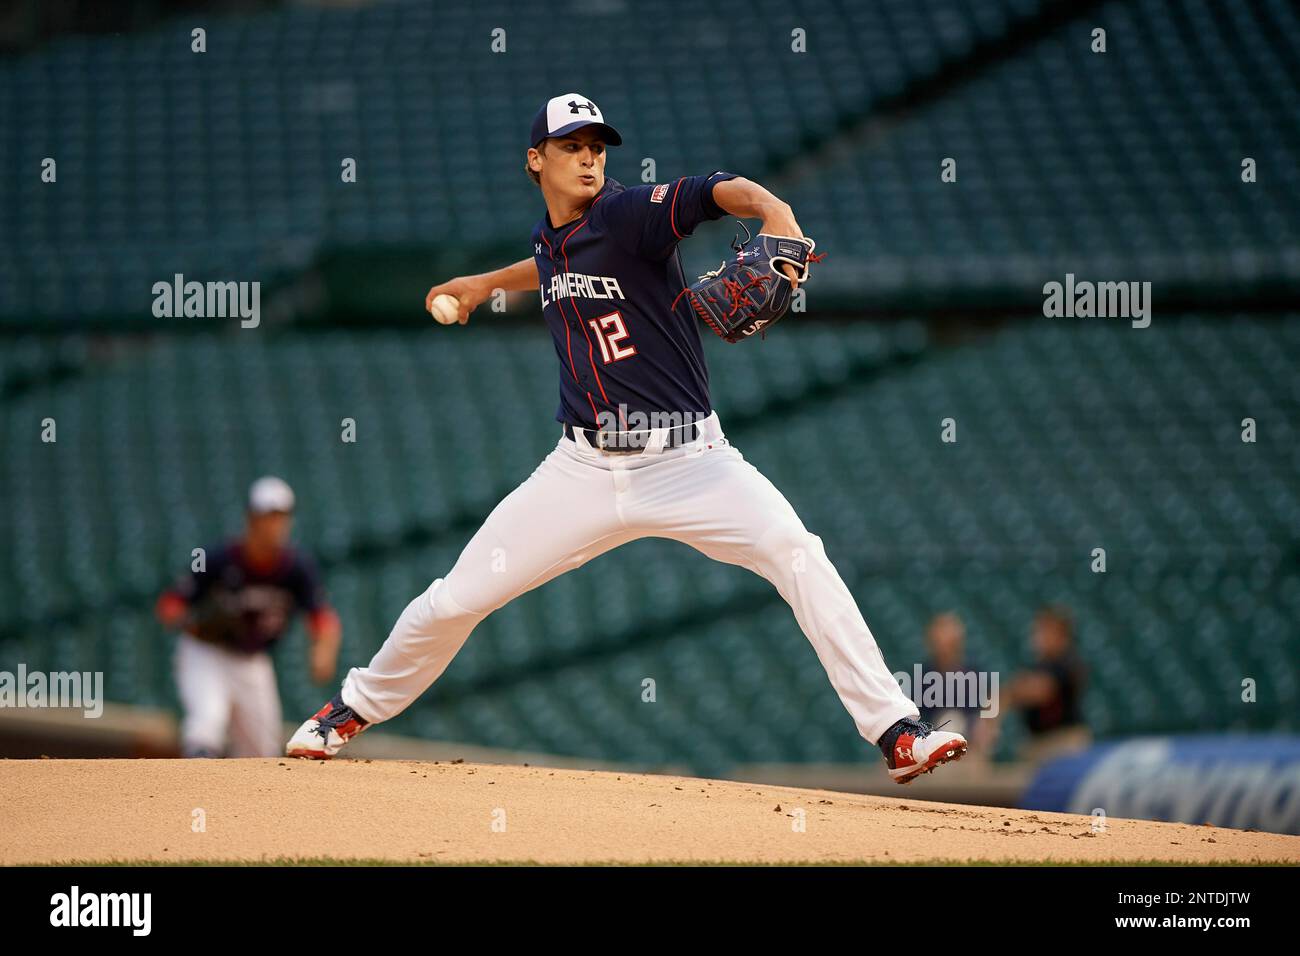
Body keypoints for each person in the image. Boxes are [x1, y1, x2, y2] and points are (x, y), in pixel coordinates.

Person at [286, 93, 967, 783]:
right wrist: (481, 282)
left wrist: (775, 213)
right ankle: (349, 710)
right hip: (580, 470)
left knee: (797, 553)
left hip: (691, 463)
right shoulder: (553, 237)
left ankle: (896, 731)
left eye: (597, 145)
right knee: (459, 597)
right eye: (571, 145)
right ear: (536, 159)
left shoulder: (625, 213)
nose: (588, 156)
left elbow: (712, 192)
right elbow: (549, 265)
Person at [156, 476, 341, 757]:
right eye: (269, 516)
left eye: (282, 517)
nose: (276, 524)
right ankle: (194, 793)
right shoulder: (216, 558)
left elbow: (322, 618)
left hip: (253, 660)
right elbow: (170, 605)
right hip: (206, 653)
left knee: (263, 749)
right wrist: (195, 622)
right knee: (207, 723)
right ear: (251, 519)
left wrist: (323, 650)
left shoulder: (297, 568)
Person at [1006, 606, 1090, 762]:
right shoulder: (1037, 665)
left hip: (1064, 741)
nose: (1039, 637)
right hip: (1037, 741)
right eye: (1038, 631)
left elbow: (1041, 691)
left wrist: (1012, 692)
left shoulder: (1068, 663)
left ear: (1062, 635)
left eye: (1046, 631)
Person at [916, 612, 996, 757]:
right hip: (930, 750)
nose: (944, 644)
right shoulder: (921, 676)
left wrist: (981, 735)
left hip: (968, 748)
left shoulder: (975, 676)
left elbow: (990, 714)